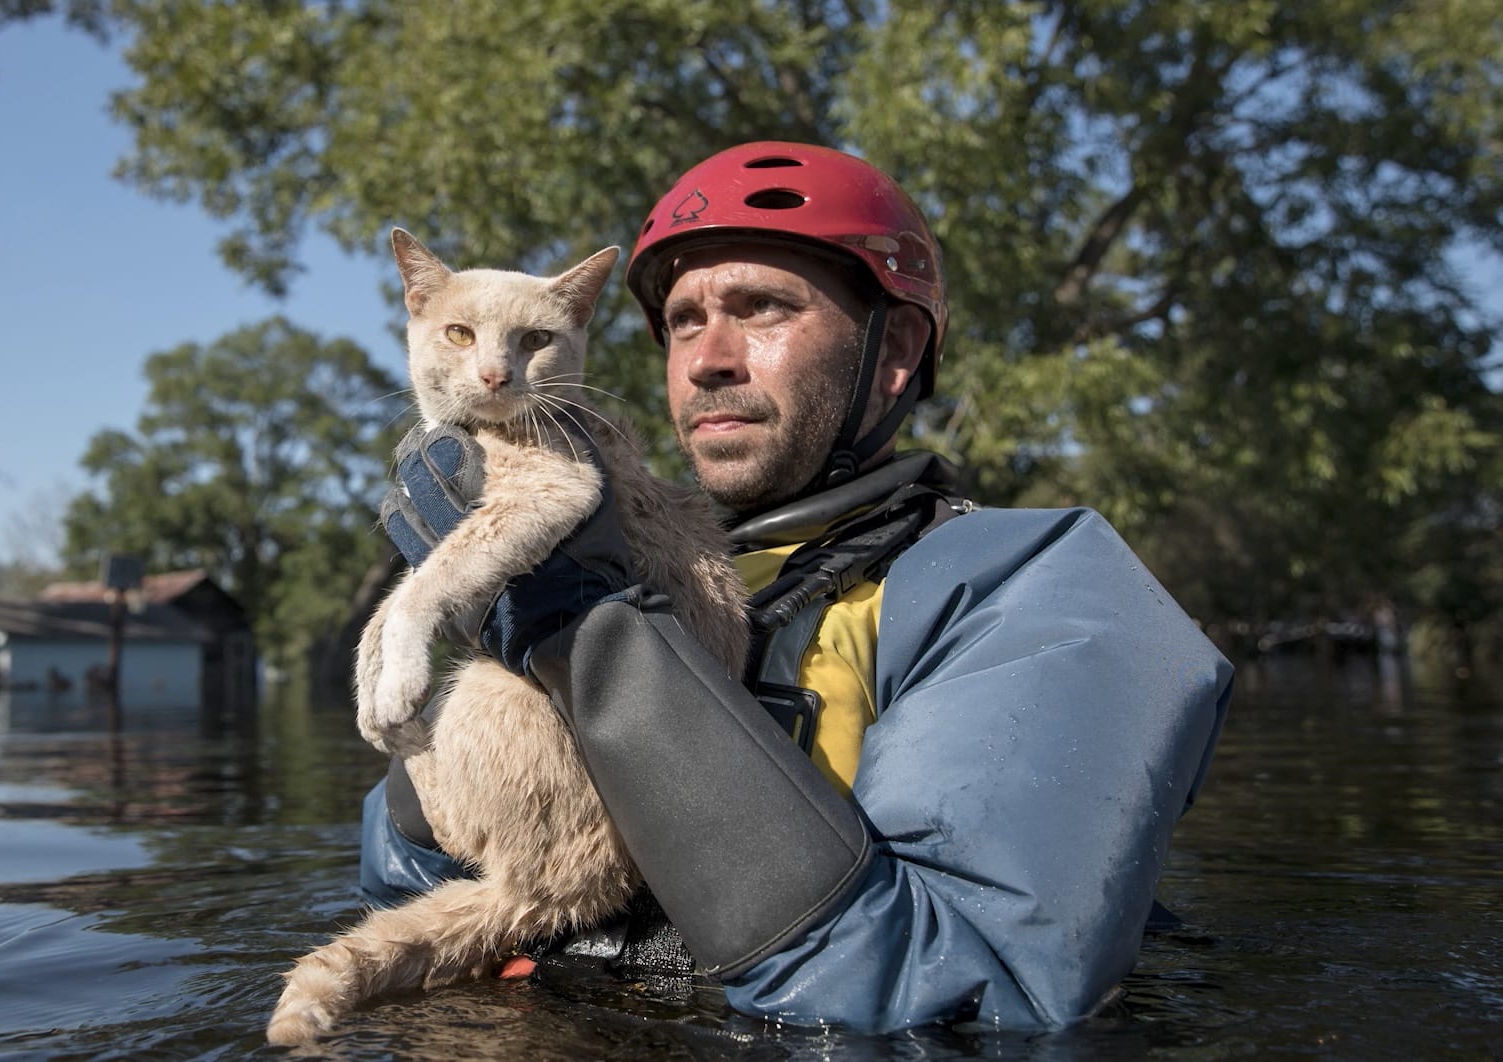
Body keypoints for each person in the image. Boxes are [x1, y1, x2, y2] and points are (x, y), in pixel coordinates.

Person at [362, 141, 1232, 1032]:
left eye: (763, 308)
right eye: (684, 322)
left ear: (892, 351)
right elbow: (405, 885)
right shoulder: (627, 552)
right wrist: (479, 652)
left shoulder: (1043, 587)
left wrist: (590, 641)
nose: (709, 359)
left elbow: (973, 997)